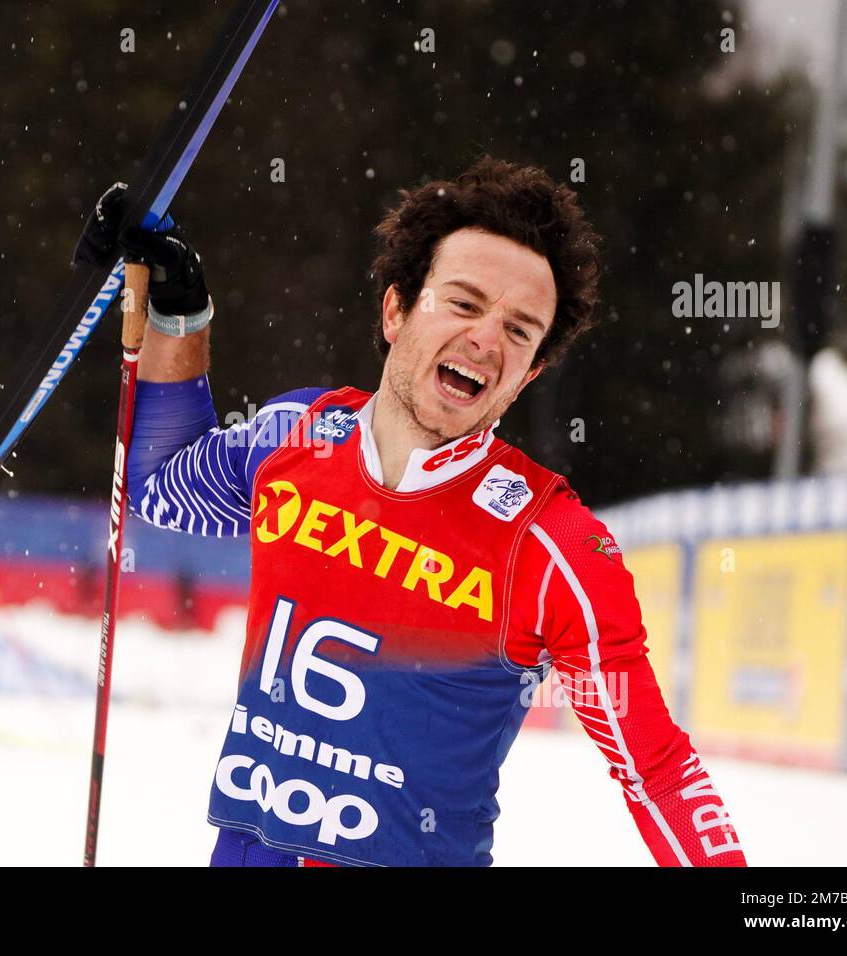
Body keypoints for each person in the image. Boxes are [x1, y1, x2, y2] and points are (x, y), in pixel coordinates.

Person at [76, 158, 747, 868]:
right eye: (463, 303)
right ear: (396, 311)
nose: (488, 340)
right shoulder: (295, 435)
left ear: (531, 374)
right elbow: (158, 487)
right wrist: (179, 311)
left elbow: (659, 769)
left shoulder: (551, 548)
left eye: (520, 332)